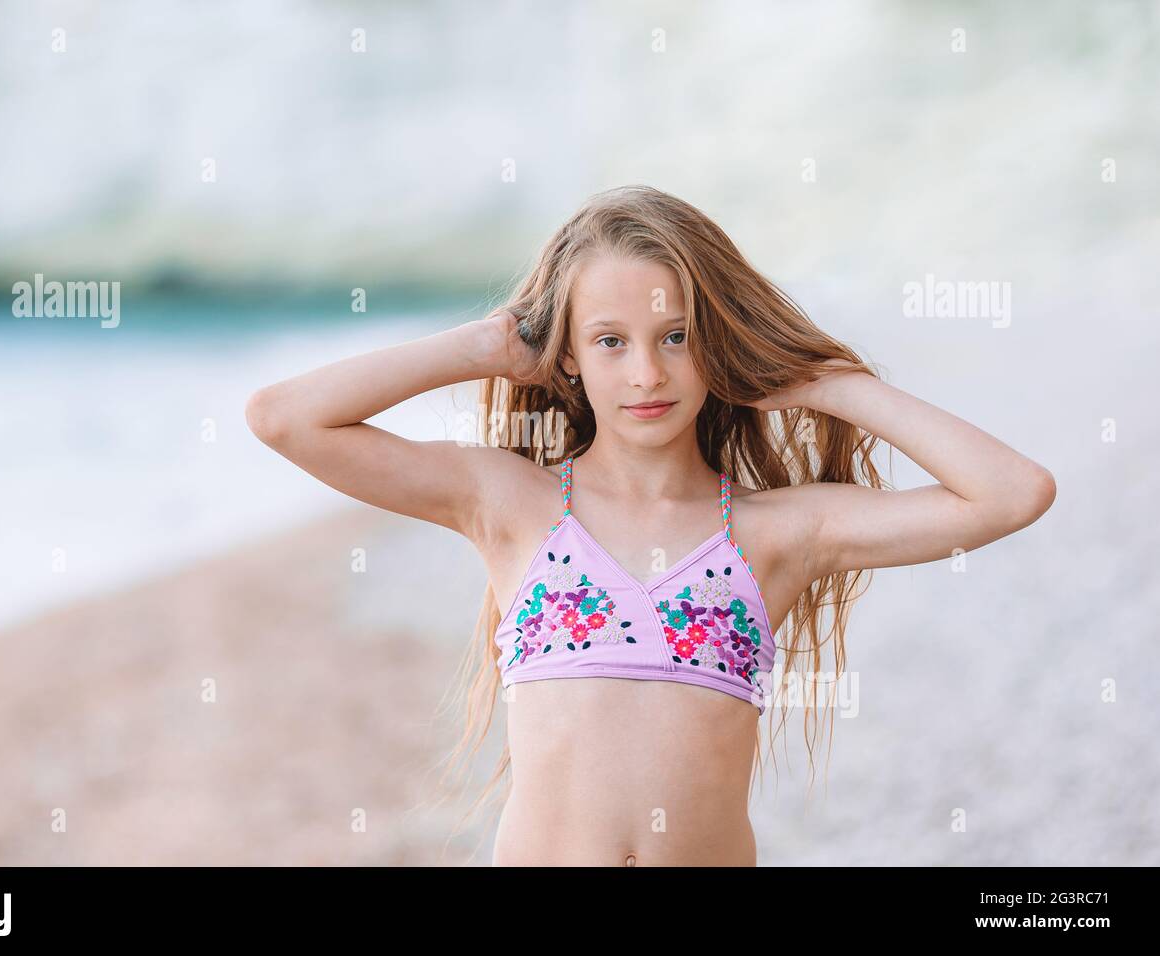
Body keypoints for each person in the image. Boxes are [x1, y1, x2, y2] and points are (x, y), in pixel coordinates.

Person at [244, 184, 1056, 866]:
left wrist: (828, 384)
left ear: (715, 345)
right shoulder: (509, 503)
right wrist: (486, 344)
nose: (647, 374)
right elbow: (283, 418)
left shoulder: (778, 535)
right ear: (567, 356)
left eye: (677, 337)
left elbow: (1012, 493)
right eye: (609, 341)